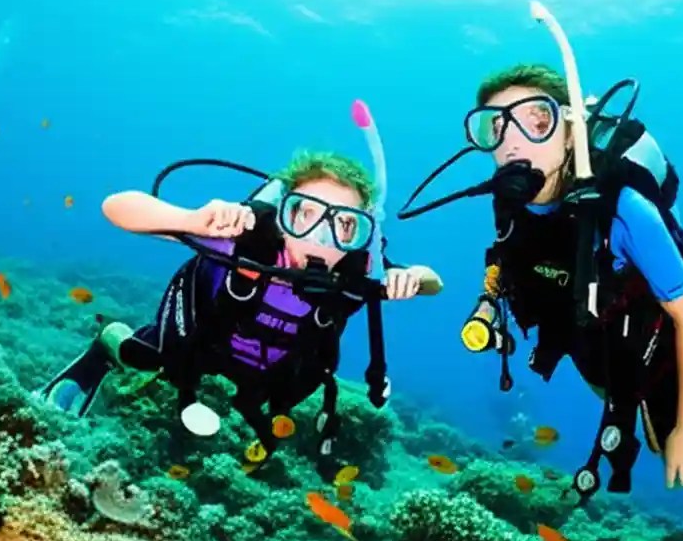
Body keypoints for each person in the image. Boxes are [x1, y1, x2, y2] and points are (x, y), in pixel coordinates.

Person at [398, 5, 683, 541]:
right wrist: (486, 305)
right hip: (586, 335)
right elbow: (503, 255)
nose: (512, 141)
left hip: (649, 335)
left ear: (571, 130)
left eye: (536, 120)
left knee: (669, 453)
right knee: (609, 392)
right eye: (493, 127)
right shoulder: (508, 197)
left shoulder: (625, 208)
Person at [42, 148, 442, 469]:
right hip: (203, 339)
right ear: (283, 217)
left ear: (360, 233)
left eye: (343, 224)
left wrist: (416, 276)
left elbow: (432, 282)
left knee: (267, 407)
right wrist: (193, 221)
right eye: (306, 214)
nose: (322, 236)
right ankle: (107, 345)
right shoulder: (243, 242)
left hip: (271, 368)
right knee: (145, 357)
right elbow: (117, 207)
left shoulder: (360, 273)